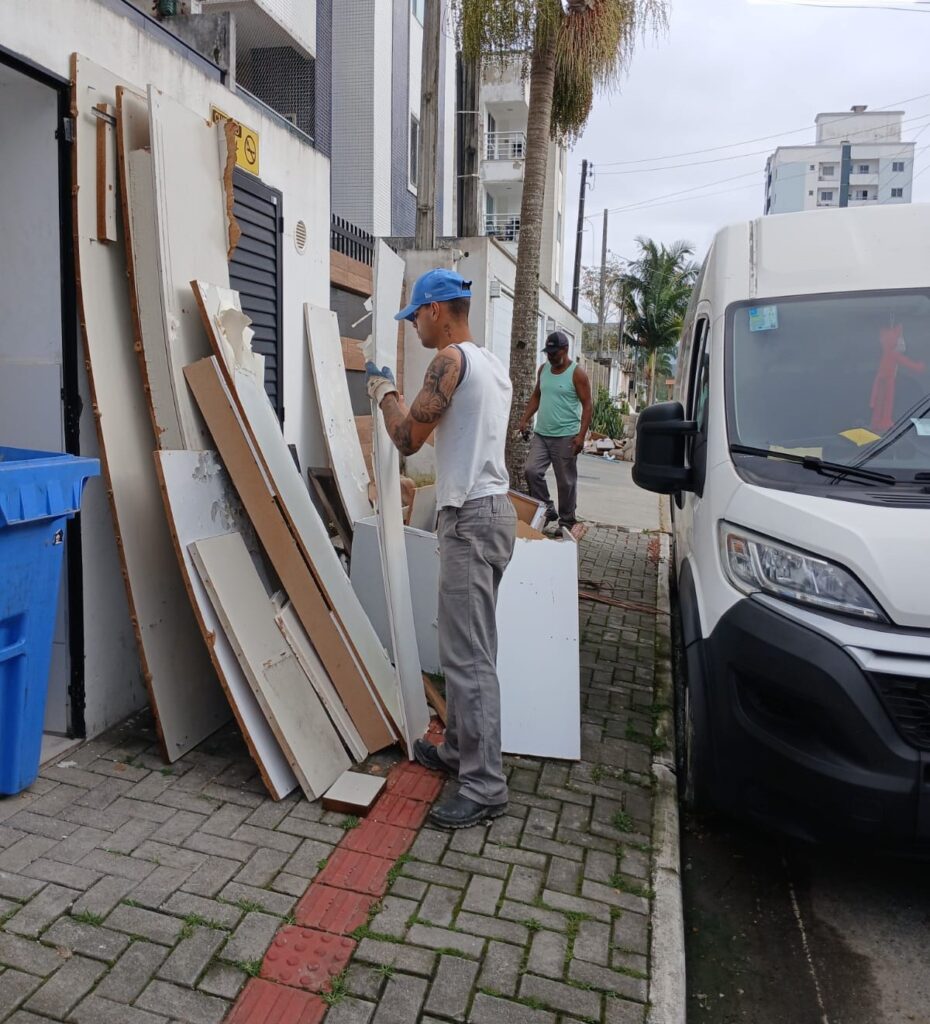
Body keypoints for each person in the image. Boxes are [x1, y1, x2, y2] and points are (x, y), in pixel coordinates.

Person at [365, 268, 516, 830]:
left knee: (469, 658)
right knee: (468, 647)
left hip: (472, 518)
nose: (413, 330)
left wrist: (384, 394)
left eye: (414, 319)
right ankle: (457, 752)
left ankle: (483, 786)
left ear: (435, 311)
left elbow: (407, 437)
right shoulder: (491, 362)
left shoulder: (449, 361)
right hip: (490, 514)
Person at [515, 330, 592, 530]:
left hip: (566, 435)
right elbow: (536, 396)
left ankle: (566, 521)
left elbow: (588, 405)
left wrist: (581, 436)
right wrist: (524, 419)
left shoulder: (577, 374)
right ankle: (548, 508)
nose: (550, 357)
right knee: (531, 471)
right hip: (542, 433)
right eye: (548, 353)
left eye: (554, 353)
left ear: (565, 350)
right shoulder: (543, 370)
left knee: (566, 482)